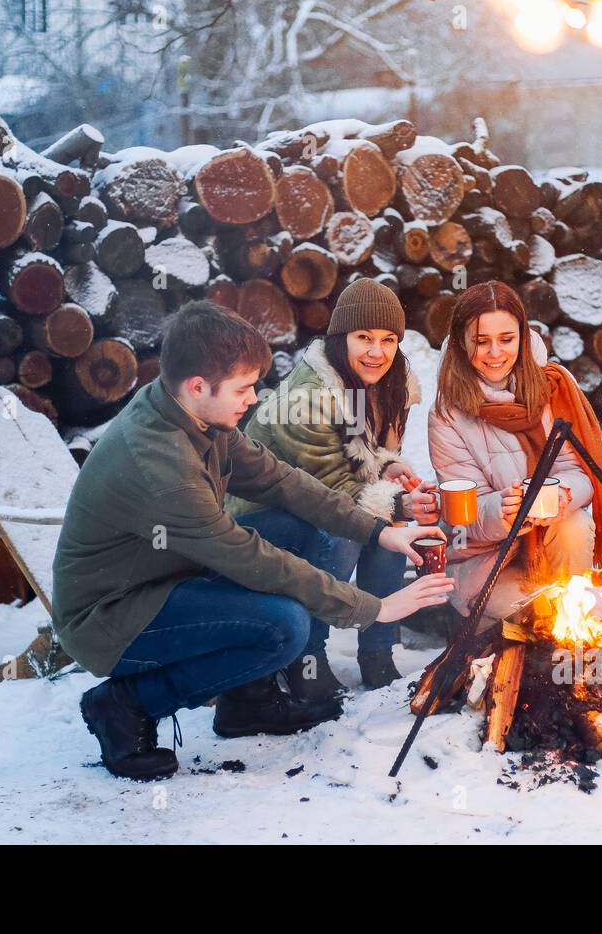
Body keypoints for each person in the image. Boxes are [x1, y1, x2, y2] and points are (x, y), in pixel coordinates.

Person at [51, 301, 455, 781]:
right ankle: (124, 704)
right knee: (282, 627)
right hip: (113, 614)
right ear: (198, 386)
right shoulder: (162, 464)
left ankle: (247, 703)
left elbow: (282, 482)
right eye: (243, 388)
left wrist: (379, 530)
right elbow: (249, 557)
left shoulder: (195, 414)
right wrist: (375, 609)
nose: (253, 398)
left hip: (169, 571)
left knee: (309, 529)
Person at [229, 279, 440, 694]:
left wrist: (389, 469)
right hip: (256, 518)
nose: (377, 351)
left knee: (387, 528)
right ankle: (306, 655)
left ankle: (377, 652)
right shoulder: (309, 396)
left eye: (388, 339)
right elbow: (328, 490)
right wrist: (398, 505)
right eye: (364, 337)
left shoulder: (373, 382)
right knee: (347, 531)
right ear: (341, 338)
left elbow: (363, 454)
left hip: (317, 502)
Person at [427, 280, 602, 628]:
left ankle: (569, 616)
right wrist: (502, 511)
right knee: (537, 619)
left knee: (575, 526)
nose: (495, 353)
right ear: (462, 342)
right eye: (481, 341)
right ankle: (493, 623)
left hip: (545, 543)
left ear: (521, 336)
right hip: (486, 559)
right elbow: (462, 515)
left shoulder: (549, 389)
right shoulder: (447, 414)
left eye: (506, 339)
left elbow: (581, 474)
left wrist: (562, 493)